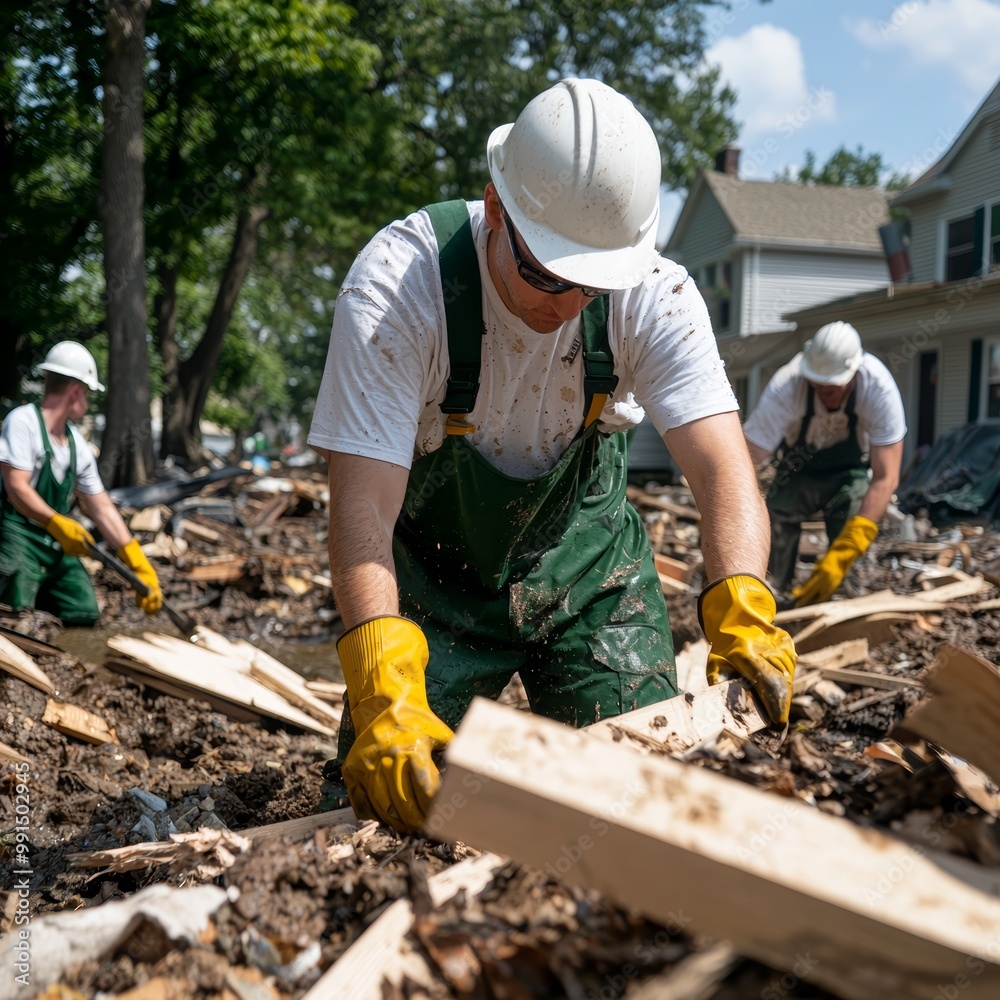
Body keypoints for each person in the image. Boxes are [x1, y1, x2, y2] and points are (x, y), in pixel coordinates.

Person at [308, 78, 796, 834]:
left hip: (588, 576)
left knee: (641, 801)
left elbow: (722, 470)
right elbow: (363, 506)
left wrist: (740, 598)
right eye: (545, 275)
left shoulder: (655, 295)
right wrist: (378, 679)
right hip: (436, 593)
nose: (567, 306)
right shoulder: (401, 289)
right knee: (390, 811)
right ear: (496, 209)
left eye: (592, 285)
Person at [742, 321, 906, 608]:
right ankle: (772, 590)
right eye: (817, 385)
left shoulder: (878, 389)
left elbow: (885, 477)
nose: (824, 392)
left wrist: (848, 547)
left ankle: (842, 596)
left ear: (854, 372)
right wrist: (723, 503)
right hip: (797, 469)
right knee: (777, 513)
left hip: (848, 473)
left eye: (832, 387)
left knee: (851, 515)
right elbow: (747, 459)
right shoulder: (787, 385)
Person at [0, 341, 163, 625]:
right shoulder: (22, 422)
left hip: (55, 543)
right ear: (75, 391)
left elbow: (100, 507)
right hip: (16, 535)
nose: (87, 403)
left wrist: (136, 559)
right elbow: (16, 487)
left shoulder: (77, 444)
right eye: (87, 393)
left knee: (84, 611)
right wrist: (55, 521)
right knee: (14, 612)